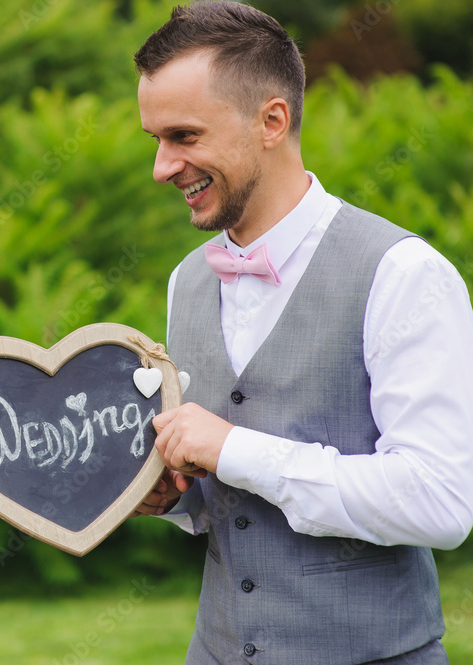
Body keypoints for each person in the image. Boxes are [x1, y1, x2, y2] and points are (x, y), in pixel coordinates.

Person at [130, 2, 473, 664]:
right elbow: (219, 488)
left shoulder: (402, 274)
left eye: (184, 136)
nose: (162, 167)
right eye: (156, 140)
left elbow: (441, 500)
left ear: (272, 121)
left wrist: (234, 447)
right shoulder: (186, 282)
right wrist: (174, 494)